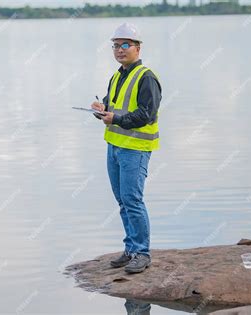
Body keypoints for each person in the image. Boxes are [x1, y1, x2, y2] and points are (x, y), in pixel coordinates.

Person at [91, 22, 162, 274]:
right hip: (114, 146)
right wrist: (101, 110)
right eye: (115, 45)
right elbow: (113, 107)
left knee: (133, 200)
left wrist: (117, 119)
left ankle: (142, 253)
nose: (119, 49)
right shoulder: (117, 75)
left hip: (136, 148)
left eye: (124, 44)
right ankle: (131, 249)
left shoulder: (147, 77)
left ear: (137, 48)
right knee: (122, 201)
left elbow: (146, 113)